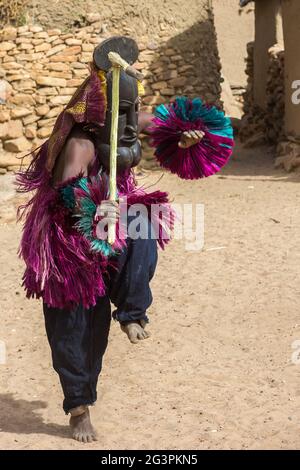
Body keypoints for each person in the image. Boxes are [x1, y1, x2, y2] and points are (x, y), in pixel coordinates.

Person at [17, 37, 204, 442]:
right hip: (67, 247)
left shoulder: (126, 128)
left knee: (145, 220)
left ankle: (133, 310)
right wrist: (95, 208)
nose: (130, 121)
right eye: (121, 112)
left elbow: (155, 125)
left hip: (108, 230)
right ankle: (79, 406)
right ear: (101, 113)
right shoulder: (81, 145)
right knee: (76, 329)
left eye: (131, 111)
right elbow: (66, 202)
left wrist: (183, 135)